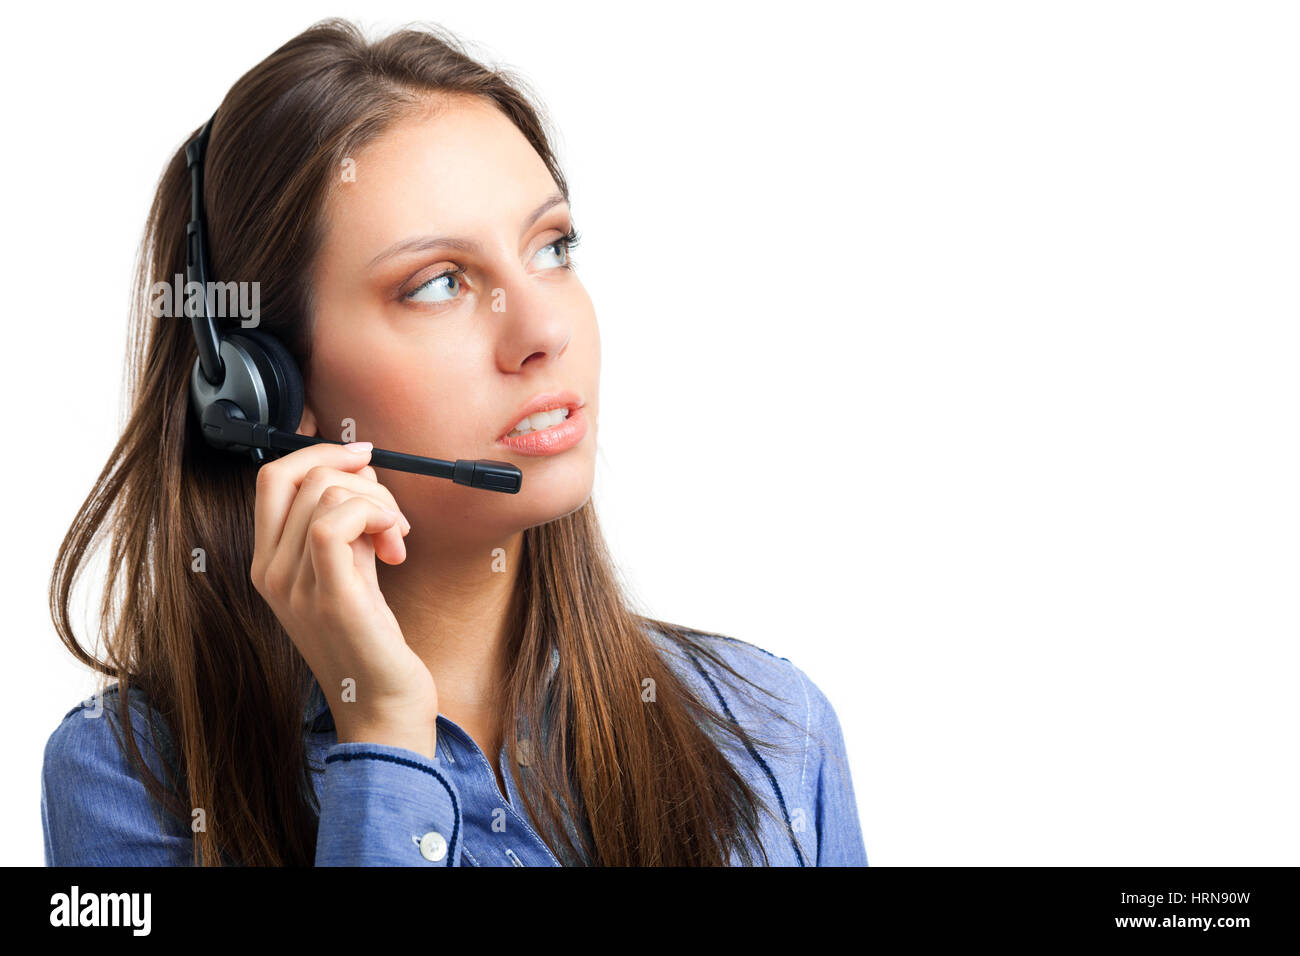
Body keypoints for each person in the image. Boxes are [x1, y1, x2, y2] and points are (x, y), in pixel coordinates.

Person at [41, 17, 868, 867]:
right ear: (263, 385)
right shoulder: (128, 780)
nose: (544, 327)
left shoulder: (772, 732)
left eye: (553, 247)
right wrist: (387, 742)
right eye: (439, 282)